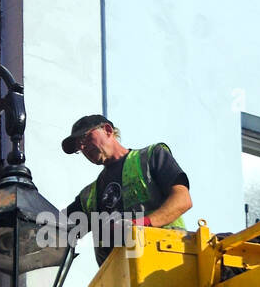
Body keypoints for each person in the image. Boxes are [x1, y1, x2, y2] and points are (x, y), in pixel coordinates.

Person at [61, 113, 192, 266]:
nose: (82, 148)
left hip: (169, 263)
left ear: (108, 130)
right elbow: (58, 227)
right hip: (121, 281)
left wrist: (140, 225)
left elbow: (183, 200)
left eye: (84, 139)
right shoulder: (89, 196)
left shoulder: (150, 157)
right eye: (78, 147)